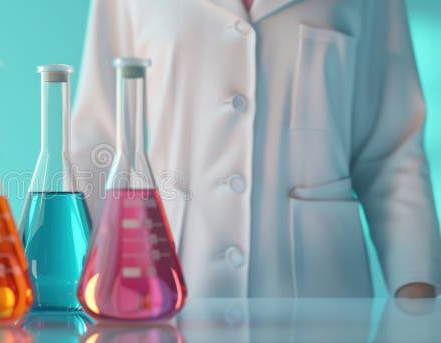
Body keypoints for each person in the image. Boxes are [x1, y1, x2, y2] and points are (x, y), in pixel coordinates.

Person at [72, 0, 441, 298]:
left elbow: (392, 154)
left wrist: (419, 302)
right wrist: (86, 290)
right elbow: (98, 142)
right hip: (170, 295)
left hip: (324, 301)